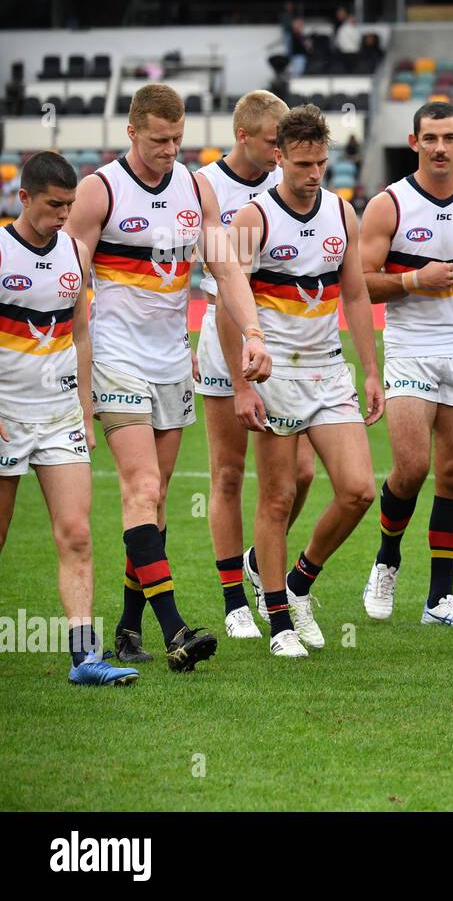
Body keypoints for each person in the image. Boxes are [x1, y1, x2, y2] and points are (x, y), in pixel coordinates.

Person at [65, 83, 271, 672]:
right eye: (159, 140)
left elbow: (227, 268)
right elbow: (70, 281)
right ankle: (176, 628)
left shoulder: (194, 186)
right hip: (114, 356)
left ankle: (129, 629)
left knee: (154, 507)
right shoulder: (98, 190)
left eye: (179, 139)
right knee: (142, 489)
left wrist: (253, 333)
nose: (170, 150)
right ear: (131, 133)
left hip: (170, 360)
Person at [224, 104, 384, 657]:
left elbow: (357, 294)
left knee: (359, 489)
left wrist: (369, 369)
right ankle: (280, 624)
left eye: (321, 162)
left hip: (328, 368)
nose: (314, 174)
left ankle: (297, 583)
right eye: (302, 164)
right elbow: (228, 299)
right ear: (278, 157)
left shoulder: (343, 214)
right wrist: (243, 380)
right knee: (278, 495)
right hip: (275, 373)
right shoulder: (253, 219)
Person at [0, 152, 138, 686]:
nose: (62, 214)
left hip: (59, 416)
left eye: (69, 205)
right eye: (53, 205)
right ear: (24, 198)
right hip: (8, 416)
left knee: (77, 535)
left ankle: (85, 658)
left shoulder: (76, 252)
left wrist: (84, 405)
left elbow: (80, 331)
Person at [360, 102, 453, 628]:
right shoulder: (388, 205)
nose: (439, 147)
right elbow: (361, 280)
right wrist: (414, 280)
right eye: (429, 138)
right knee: (413, 466)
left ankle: (440, 599)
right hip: (410, 347)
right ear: (413, 142)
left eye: (448, 137)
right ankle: (386, 560)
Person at [194, 91, 316, 639]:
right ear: (243, 137)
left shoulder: (288, 178)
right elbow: (222, 284)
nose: (281, 152)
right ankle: (232, 600)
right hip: (226, 337)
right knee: (227, 473)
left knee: (302, 473)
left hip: (285, 344)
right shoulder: (205, 187)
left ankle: (255, 560)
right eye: (273, 142)